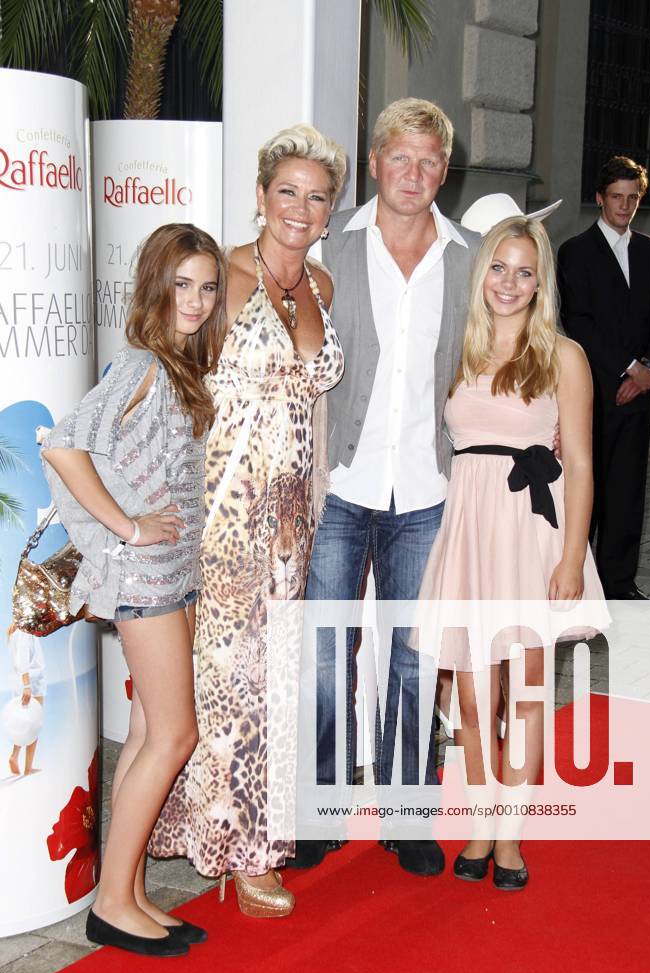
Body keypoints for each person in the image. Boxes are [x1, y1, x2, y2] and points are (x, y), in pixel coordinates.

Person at [149, 124, 345, 917]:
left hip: (292, 524)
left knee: (275, 683)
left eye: (317, 196)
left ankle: (248, 836)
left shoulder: (321, 286)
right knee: (229, 687)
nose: (300, 207)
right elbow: (167, 383)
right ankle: (239, 852)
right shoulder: (221, 280)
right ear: (261, 197)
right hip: (225, 513)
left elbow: (310, 407)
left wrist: (308, 503)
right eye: (286, 191)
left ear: (330, 209)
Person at [292, 98, 481, 878]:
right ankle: (319, 810)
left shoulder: (470, 257)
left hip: (428, 488)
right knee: (326, 654)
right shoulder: (325, 244)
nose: (414, 173)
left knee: (413, 657)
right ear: (373, 164)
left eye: (429, 161)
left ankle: (408, 816)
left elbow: (498, 358)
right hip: (338, 484)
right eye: (399, 157)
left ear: (445, 170)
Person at [42, 223, 225, 956]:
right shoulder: (142, 364)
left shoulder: (180, 365)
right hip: (147, 577)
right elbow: (63, 444)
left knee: (151, 733)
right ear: (156, 285)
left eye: (207, 286)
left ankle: (130, 891)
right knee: (175, 734)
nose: (196, 300)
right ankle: (113, 904)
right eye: (182, 284)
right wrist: (126, 525)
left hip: (177, 572)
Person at [417, 216, 606, 889]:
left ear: (540, 283)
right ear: (482, 274)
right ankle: (479, 824)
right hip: (468, 535)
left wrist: (571, 558)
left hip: (532, 537)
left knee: (525, 696)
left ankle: (508, 839)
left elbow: (580, 464)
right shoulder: (456, 349)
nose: (509, 283)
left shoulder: (563, 356)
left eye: (524, 272)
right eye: (498, 267)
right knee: (472, 701)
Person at [558, 156, 650, 599]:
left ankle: (620, 585)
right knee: (588, 488)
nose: (624, 205)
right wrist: (628, 367)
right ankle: (581, 585)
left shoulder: (648, 249)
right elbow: (579, 322)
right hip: (594, 389)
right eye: (616, 197)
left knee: (628, 492)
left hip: (639, 392)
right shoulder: (575, 251)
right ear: (600, 198)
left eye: (633, 198)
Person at [7, 623, 45, 776]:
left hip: (22, 682)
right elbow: (22, 660)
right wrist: (27, 685)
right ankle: (28, 769)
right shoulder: (25, 632)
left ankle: (15, 756)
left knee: (24, 723)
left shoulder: (14, 631)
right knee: (34, 725)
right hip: (32, 682)